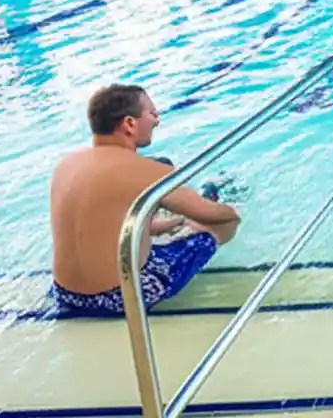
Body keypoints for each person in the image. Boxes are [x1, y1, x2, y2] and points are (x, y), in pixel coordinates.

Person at [50, 85, 241, 316]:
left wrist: (174, 223)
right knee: (221, 223)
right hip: (120, 298)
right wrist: (230, 211)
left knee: (161, 224)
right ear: (130, 123)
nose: (157, 120)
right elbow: (217, 216)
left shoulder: (66, 165)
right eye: (152, 113)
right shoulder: (149, 171)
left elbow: (107, 227)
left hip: (65, 295)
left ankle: (174, 224)